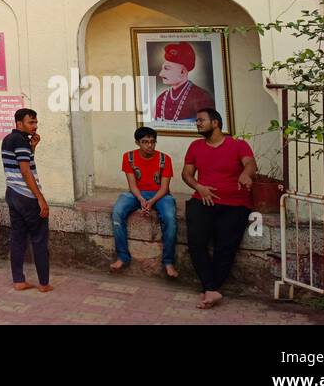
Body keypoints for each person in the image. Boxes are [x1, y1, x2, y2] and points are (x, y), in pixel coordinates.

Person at [182, 107, 256, 309]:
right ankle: (212, 288)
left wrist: (245, 174)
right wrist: (199, 187)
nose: (197, 123)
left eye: (201, 120)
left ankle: (210, 289)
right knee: (196, 242)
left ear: (215, 123)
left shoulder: (238, 145)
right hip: (203, 200)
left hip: (235, 202)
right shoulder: (195, 146)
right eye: (196, 120)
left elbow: (250, 164)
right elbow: (187, 173)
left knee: (225, 245)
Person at [109, 126, 178, 278]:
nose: (149, 145)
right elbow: (132, 185)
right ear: (137, 142)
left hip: (160, 195)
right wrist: (141, 199)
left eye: (153, 142)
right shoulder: (129, 157)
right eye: (145, 142)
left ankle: (168, 262)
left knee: (170, 218)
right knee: (117, 212)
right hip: (136, 193)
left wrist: (151, 202)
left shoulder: (164, 159)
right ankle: (122, 256)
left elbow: (165, 187)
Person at [0, 107, 51, 292]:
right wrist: (40, 199)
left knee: (18, 238)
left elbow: (23, 163)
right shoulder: (20, 141)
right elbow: (25, 170)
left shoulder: (8, 139)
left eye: (36, 122)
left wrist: (33, 148)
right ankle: (44, 283)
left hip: (12, 194)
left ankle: (19, 280)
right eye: (31, 122)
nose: (35, 126)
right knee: (39, 239)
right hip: (27, 197)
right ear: (19, 123)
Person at [152, 42, 214, 123]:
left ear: (182, 72)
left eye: (167, 69)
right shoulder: (161, 99)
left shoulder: (201, 97)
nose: (161, 74)